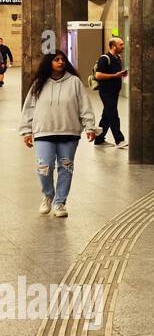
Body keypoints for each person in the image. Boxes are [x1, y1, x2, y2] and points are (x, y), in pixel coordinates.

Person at [18, 50, 98, 218]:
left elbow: (85, 106)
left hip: (69, 132)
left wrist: (89, 127)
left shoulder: (74, 82)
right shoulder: (39, 83)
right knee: (44, 167)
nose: (61, 62)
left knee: (66, 168)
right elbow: (29, 108)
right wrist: (26, 130)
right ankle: (48, 195)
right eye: (56, 60)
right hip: (43, 132)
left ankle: (60, 202)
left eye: (62, 59)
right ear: (49, 63)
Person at [92, 37, 128, 148]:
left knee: (107, 115)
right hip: (106, 91)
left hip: (114, 91)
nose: (123, 46)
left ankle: (99, 139)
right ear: (113, 46)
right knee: (113, 115)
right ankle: (119, 140)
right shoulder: (105, 58)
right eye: (121, 44)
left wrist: (121, 74)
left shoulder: (118, 58)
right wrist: (115, 75)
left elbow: (116, 73)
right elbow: (98, 75)